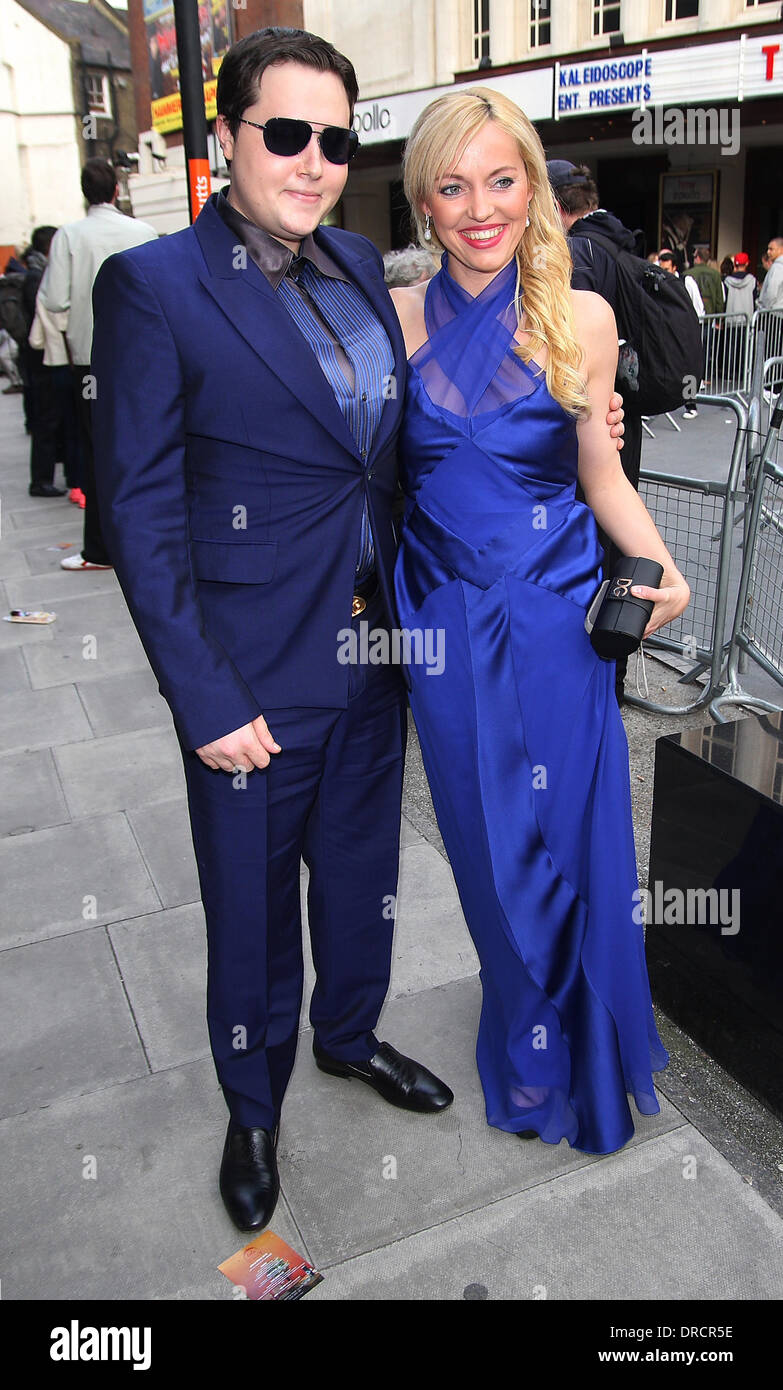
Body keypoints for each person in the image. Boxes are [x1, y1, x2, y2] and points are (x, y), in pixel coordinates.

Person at [89, 27, 456, 1237]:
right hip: (249, 676)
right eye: (285, 133)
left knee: (365, 884)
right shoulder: (154, 286)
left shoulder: (355, 261)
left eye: (335, 139)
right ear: (227, 138)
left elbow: (397, 443)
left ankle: (348, 1038)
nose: (312, 161)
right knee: (247, 912)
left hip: (372, 653)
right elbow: (139, 513)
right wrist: (204, 697)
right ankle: (254, 1109)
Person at [391, 87, 690, 1156]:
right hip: (443, 624)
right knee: (484, 846)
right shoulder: (395, 321)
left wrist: (660, 565)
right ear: (424, 200)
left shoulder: (585, 318)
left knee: (572, 836)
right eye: (453, 185)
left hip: (562, 622)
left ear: (534, 186)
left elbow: (601, 475)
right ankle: (524, 1037)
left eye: (502, 179)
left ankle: (590, 1053)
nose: (481, 208)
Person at [546, 158, 643, 705]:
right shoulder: (622, 245)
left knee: (589, 543)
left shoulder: (577, 258)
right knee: (606, 548)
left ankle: (598, 667)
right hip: (608, 421)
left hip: (583, 428)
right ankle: (611, 670)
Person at [37, 158, 157, 570]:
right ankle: (148, 542)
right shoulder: (141, 231)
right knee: (147, 446)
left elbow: (53, 299)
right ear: (116, 191)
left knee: (95, 450)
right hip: (144, 354)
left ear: (85, 191)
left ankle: (101, 549)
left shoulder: (69, 236)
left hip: (90, 359)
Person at [23, 225, 82, 500]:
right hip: (61, 360)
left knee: (57, 422)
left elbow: (35, 337)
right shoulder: (52, 285)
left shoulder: (44, 281)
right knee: (64, 422)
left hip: (50, 360)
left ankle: (62, 478)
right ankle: (54, 480)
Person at [685, 246, 723, 316]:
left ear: (698, 258)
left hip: (692, 316)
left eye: (694, 257)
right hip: (710, 316)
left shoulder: (687, 274)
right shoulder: (716, 274)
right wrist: (719, 319)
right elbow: (719, 300)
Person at [758, 235, 783, 311]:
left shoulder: (777, 267)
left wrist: (764, 309)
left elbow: (772, 292)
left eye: (771, 249)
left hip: (773, 312)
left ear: (781, 249)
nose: (768, 252)